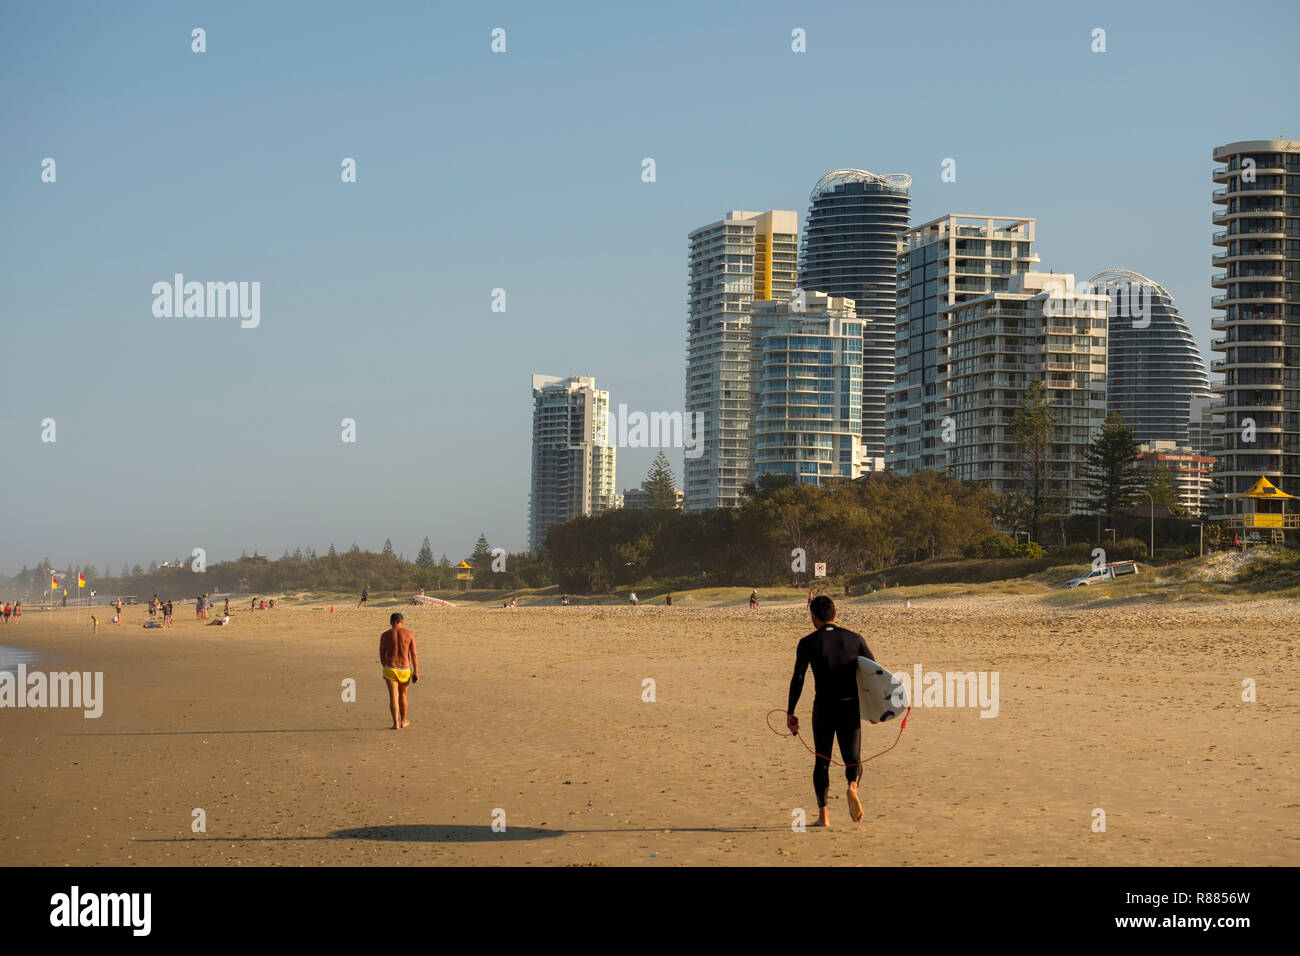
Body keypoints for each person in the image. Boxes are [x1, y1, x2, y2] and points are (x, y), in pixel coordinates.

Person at [786, 595, 873, 828]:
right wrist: (876, 709)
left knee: (822, 760)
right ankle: (852, 787)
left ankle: (824, 817)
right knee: (853, 759)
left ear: (814, 617)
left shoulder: (807, 642)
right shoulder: (854, 639)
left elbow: (798, 678)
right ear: (835, 614)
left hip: (824, 707)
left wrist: (790, 712)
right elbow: (874, 675)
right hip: (849, 706)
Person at [379, 612, 419, 730]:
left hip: (390, 668)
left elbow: (382, 653)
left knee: (393, 696)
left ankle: (395, 723)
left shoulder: (385, 635)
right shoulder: (409, 634)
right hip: (404, 668)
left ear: (391, 622)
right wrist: (416, 671)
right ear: (402, 622)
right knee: (403, 695)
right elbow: (414, 654)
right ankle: (404, 721)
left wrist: (385, 667)